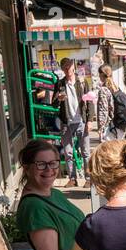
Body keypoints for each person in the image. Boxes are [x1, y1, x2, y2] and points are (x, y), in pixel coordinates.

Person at [15, 139, 93, 250]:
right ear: (26, 168)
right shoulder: (34, 207)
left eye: (53, 163)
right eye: (41, 164)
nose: (49, 169)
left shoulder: (54, 193)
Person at [54, 58, 89, 186]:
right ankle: (72, 179)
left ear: (73, 67)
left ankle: (89, 179)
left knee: (85, 152)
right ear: (62, 69)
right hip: (66, 121)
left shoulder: (82, 81)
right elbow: (54, 102)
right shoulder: (60, 84)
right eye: (65, 67)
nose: (68, 69)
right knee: (68, 152)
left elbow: (89, 101)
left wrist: (89, 120)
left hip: (81, 120)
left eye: (69, 66)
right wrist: (58, 98)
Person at [96, 64, 117, 142]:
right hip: (117, 125)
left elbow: (103, 110)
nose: (98, 76)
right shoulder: (116, 87)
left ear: (102, 74)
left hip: (108, 126)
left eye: (99, 74)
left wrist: (100, 128)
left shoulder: (103, 90)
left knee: (107, 152)